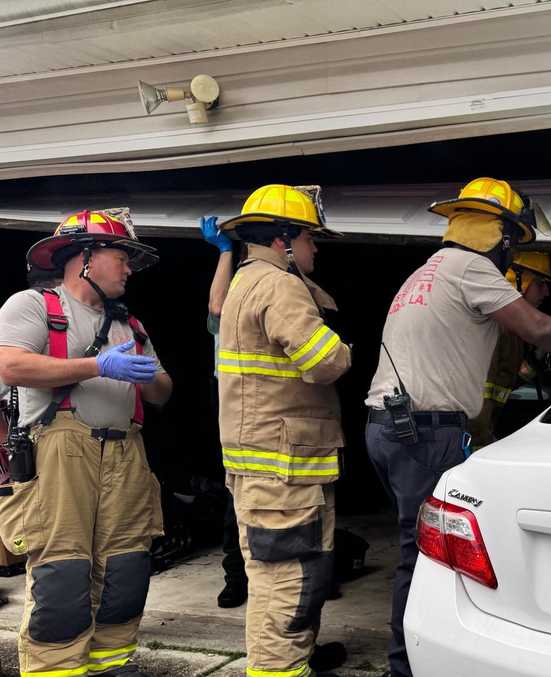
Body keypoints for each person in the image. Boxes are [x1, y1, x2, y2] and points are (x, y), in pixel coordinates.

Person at [363, 177, 551, 677]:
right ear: (498, 233)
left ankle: (412, 660)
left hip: (389, 429)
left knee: (422, 549)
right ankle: (405, 667)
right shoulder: (471, 267)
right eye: (513, 240)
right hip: (425, 432)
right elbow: (537, 328)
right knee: (427, 559)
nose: (511, 252)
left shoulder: (426, 272)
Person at [0, 209, 173, 677]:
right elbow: (10, 366)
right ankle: (56, 670)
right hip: (60, 454)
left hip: (125, 454)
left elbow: (162, 393)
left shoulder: (130, 325)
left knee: (125, 567)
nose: (129, 269)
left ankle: (112, 664)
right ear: (86, 257)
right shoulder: (34, 306)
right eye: (122, 257)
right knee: (62, 572)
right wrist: (99, 366)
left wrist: (149, 376)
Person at [215, 185, 351, 677]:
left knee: (296, 571)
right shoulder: (278, 286)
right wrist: (346, 349)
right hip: (281, 469)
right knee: (286, 581)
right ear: (283, 241)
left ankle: (296, 659)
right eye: (309, 238)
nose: (315, 248)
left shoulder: (246, 280)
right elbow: (324, 360)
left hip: (274, 465)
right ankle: (278, 670)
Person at [200, 215, 250, 609]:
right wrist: (224, 252)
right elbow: (217, 306)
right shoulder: (231, 303)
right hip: (236, 401)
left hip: (268, 400)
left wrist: (225, 250)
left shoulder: (275, 290)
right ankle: (236, 577)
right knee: (238, 489)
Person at [467, 251, 551, 449]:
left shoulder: (513, 329)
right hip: (473, 436)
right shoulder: (494, 325)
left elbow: (504, 380)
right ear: (519, 282)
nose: (546, 292)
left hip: (485, 430)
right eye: (540, 284)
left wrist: (535, 361)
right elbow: (478, 394)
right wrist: (480, 443)